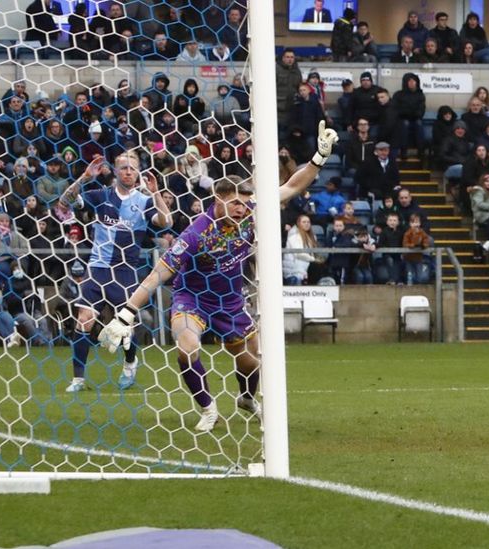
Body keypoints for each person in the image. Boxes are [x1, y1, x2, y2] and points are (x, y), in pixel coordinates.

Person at [100, 122, 339, 431]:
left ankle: (246, 398)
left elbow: (292, 186)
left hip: (230, 301)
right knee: (187, 348)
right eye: (236, 202)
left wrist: (319, 157)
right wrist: (127, 312)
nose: (243, 208)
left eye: (245, 202)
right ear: (219, 199)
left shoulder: (253, 208)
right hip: (192, 299)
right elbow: (159, 273)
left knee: (252, 361)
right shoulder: (196, 232)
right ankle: (208, 408)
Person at [55, 155, 173, 393]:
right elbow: (64, 202)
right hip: (97, 269)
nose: (128, 172)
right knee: (84, 319)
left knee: (125, 326)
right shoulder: (100, 196)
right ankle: (78, 379)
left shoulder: (144, 201)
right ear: (115, 172)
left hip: (125, 272)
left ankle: (130, 362)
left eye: (132, 168)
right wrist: (85, 178)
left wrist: (156, 193)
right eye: (123, 168)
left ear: (138, 173)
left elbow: (166, 221)